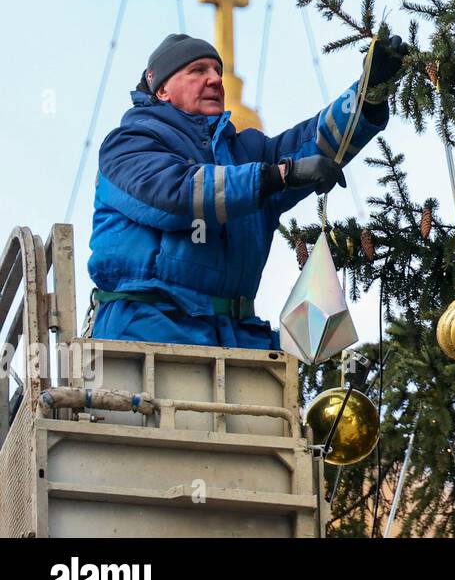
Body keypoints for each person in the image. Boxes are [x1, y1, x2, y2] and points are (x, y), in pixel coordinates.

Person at [87, 32, 409, 349]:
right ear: (162, 89)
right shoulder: (128, 144)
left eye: (217, 71)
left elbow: (313, 143)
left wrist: (368, 94)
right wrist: (276, 176)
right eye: (198, 70)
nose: (214, 79)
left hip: (235, 340)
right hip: (144, 336)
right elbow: (181, 195)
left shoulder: (246, 152)